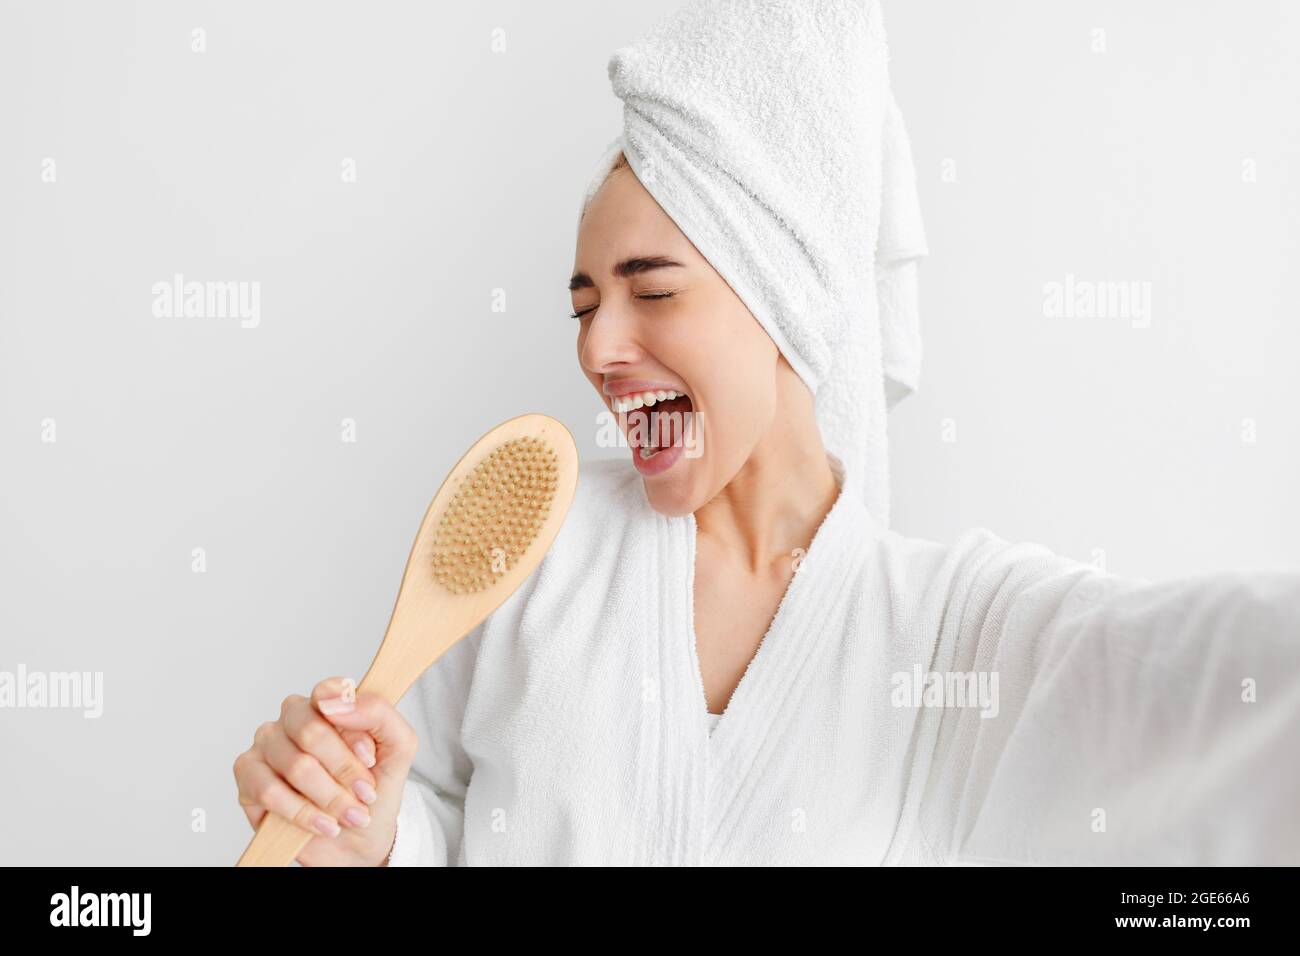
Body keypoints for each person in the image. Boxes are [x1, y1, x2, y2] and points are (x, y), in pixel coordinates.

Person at [232, 0, 1300, 866]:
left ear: (782, 297)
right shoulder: (526, 552)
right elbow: (438, 828)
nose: (598, 345)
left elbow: (1200, 684)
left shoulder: (949, 633)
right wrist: (371, 841)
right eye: (582, 301)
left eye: (651, 290)